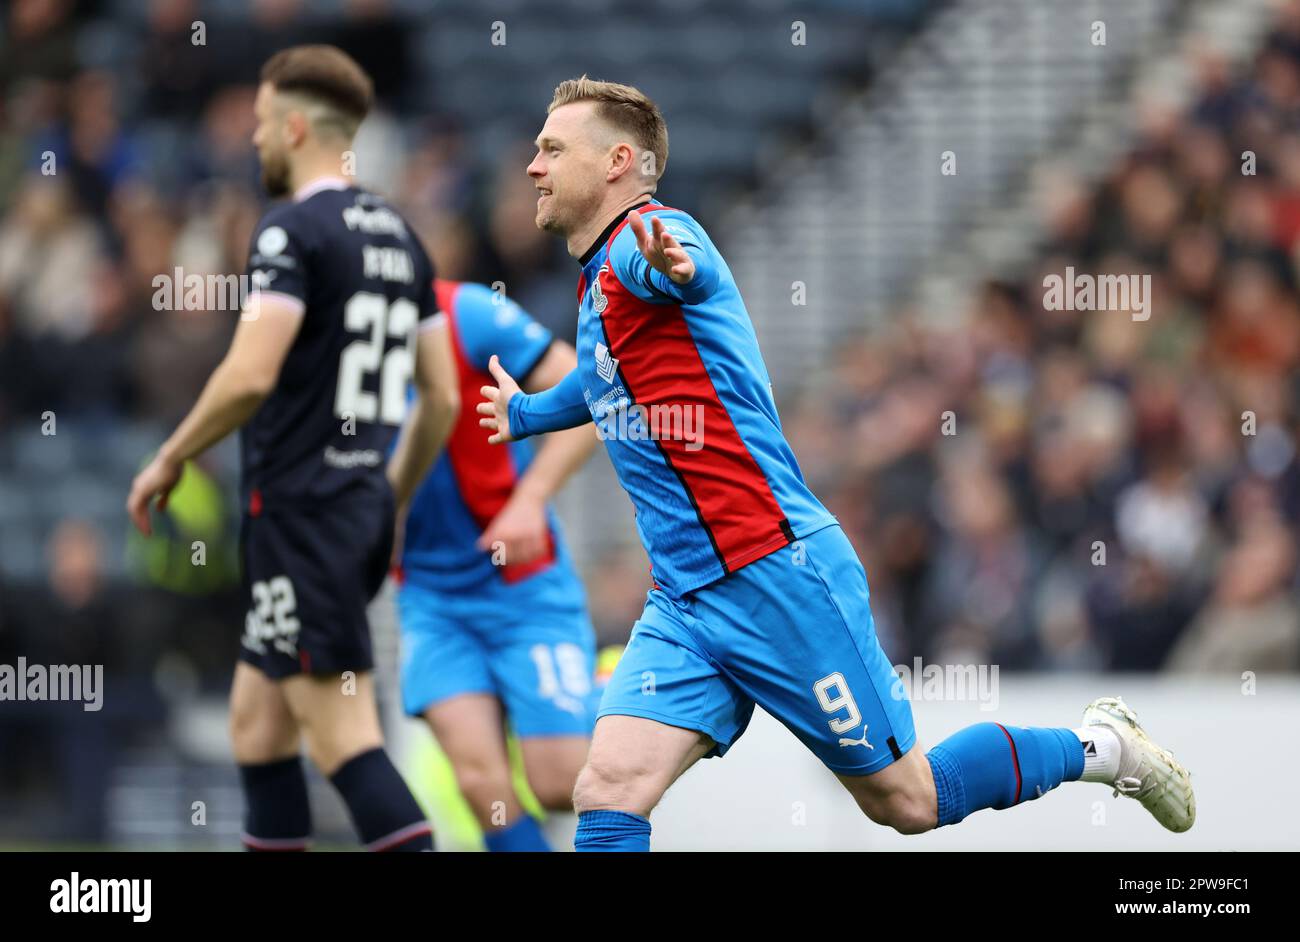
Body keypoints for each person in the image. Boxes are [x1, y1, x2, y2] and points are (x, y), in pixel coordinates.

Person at [477, 77, 1196, 851]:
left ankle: (1104, 749)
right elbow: (604, 376)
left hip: (777, 578)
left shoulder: (653, 240)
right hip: (684, 601)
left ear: (619, 161)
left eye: (552, 149)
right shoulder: (598, 288)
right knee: (608, 788)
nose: (533, 167)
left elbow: (687, 271)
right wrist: (529, 414)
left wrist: (678, 268)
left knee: (911, 801)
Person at [128, 45, 457, 852]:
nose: (253, 140)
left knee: (343, 738)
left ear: (299, 126)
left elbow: (248, 375)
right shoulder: (401, 238)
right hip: (351, 509)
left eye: (263, 123)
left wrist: (171, 455)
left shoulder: (292, 232)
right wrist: (392, 492)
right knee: (257, 725)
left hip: (302, 513)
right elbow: (443, 397)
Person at [396, 278, 598, 852]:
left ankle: (605, 681)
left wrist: (529, 500)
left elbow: (587, 396)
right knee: (482, 785)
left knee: (560, 784)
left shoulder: (470, 316)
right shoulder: (325, 346)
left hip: (520, 582)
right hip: (430, 597)